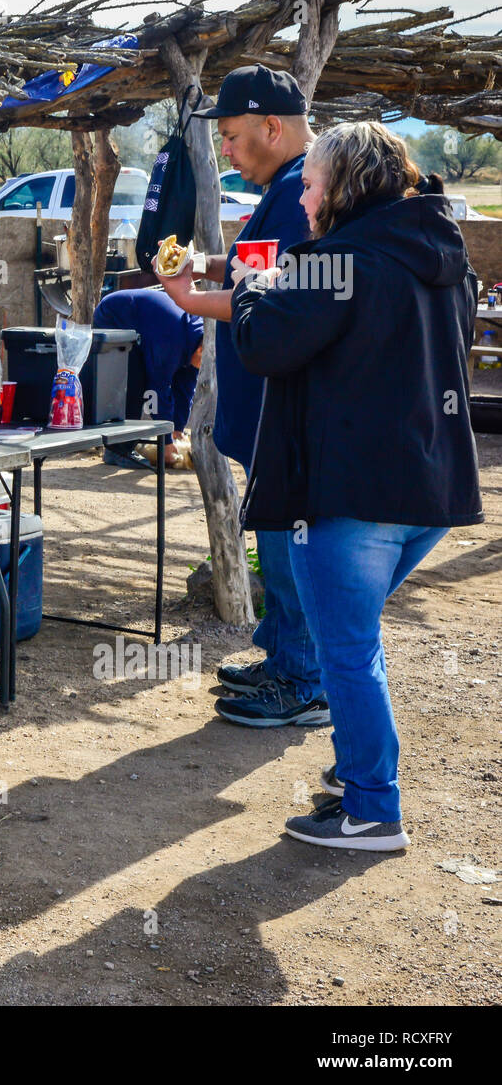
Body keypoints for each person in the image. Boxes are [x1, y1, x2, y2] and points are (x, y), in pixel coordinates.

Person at [229, 123, 481, 850]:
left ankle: (372, 807)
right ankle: (356, 774)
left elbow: (264, 346)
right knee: (355, 645)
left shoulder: (339, 257)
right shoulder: (443, 255)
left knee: (348, 649)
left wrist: (253, 290)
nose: (302, 199)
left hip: (351, 495)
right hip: (429, 491)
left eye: (309, 183)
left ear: (344, 185)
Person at [156, 65, 326, 728]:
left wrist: (194, 298)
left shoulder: (303, 188)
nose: (224, 151)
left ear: (271, 126)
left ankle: (303, 683)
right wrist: (200, 267)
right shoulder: (287, 185)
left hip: (290, 412)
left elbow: (284, 297)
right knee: (280, 543)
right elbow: (262, 269)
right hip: (271, 415)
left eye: (230, 137)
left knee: (291, 549)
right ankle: (284, 660)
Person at [92, 286, 203, 469]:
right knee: (137, 381)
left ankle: (127, 444)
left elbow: (185, 389)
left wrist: (177, 429)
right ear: (200, 350)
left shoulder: (196, 341)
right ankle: (118, 450)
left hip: (143, 324)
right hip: (113, 316)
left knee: (173, 379)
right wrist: (165, 442)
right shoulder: (173, 342)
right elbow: (158, 388)